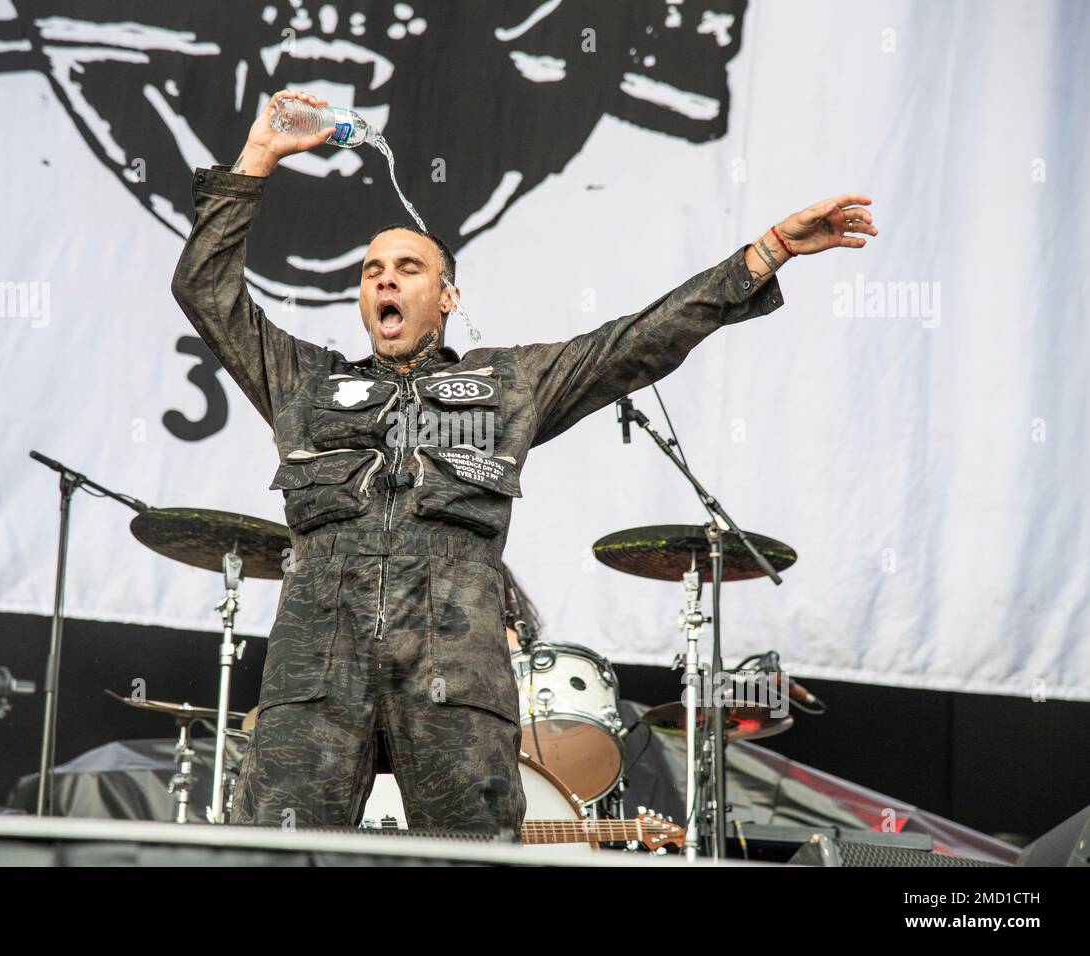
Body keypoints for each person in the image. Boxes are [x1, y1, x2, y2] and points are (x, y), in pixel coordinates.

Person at [171, 90, 877, 834]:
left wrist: (764, 251)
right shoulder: (305, 382)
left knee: (477, 857)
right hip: (317, 673)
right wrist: (258, 158)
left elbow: (636, 341)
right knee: (271, 854)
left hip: (453, 676)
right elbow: (205, 291)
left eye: (407, 267)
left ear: (445, 297)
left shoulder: (508, 383)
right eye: (372, 269)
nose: (384, 279)